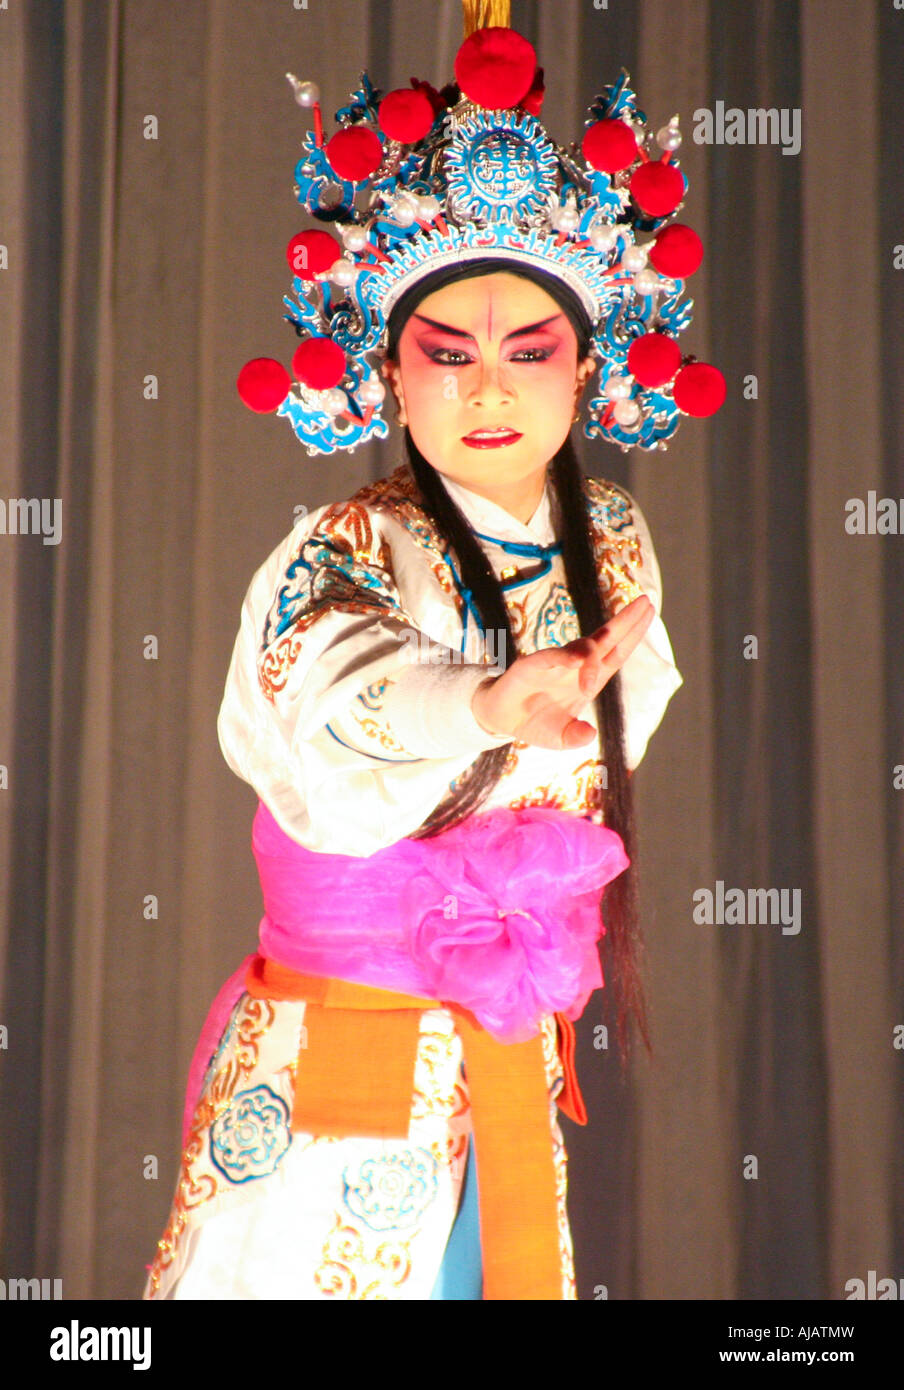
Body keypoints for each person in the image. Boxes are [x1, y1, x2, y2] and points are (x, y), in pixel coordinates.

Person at [143, 11, 718, 1301]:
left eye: (533, 353)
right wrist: (490, 700)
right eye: (445, 358)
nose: (488, 392)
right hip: (339, 1036)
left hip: (506, 1033)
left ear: (590, 368)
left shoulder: (612, 539)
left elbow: (624, 719)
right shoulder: (342, 544)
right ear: (389, 375)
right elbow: (335, 690)